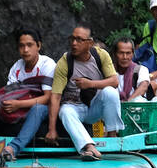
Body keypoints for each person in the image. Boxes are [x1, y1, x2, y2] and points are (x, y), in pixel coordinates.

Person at [0, 29, 55, 164]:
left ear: (38, 46)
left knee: (38, 109)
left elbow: (48, 98)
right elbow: (8, 93)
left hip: (46, 108)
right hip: (21, 108)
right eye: (21, 46)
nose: (25, 50)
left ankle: (12, 149)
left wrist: (18, 105)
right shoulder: (17, 67)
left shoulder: (48, 65)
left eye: (29, 45)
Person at [47, 25, 122, 160]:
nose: (74, 43)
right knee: (65, 111)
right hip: (75, 107)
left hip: (95, 106)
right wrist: (52, 129)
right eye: (72, 39)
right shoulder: (65, 61)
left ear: (90, 43)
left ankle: (112, 135)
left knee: (111, 92)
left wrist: (90, 84)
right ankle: (88, 147)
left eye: (79, 40)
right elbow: (56, 96)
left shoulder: (100, 55)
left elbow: (114, 81)